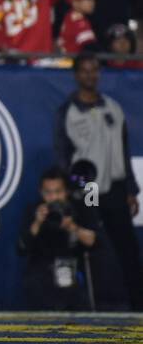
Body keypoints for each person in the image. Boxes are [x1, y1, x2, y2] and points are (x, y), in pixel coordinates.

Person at [54, 53, 143, 310]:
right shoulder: (67, 113)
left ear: (99, 73)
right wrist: (75, 188)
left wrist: (130, 189)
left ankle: (138, 308)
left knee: (127, 249)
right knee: (91, 247)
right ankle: (90, 308)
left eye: (94, 70)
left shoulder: (113, 108)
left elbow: (123, 151)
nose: (90, 75)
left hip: (115, 188)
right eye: (84, 70)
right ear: (76, 74)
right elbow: (62, 156)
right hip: (88, 189)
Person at [16, 167, 99, 311]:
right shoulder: (34, 210)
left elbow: (93, 242)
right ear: (41, 193)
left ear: (66, 192)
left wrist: (72, 227)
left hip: (70, 271)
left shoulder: (78, 209)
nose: (53, 198)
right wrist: (37, 222)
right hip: (41, 274)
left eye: (58, 192)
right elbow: (21, 248)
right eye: (48, 193)